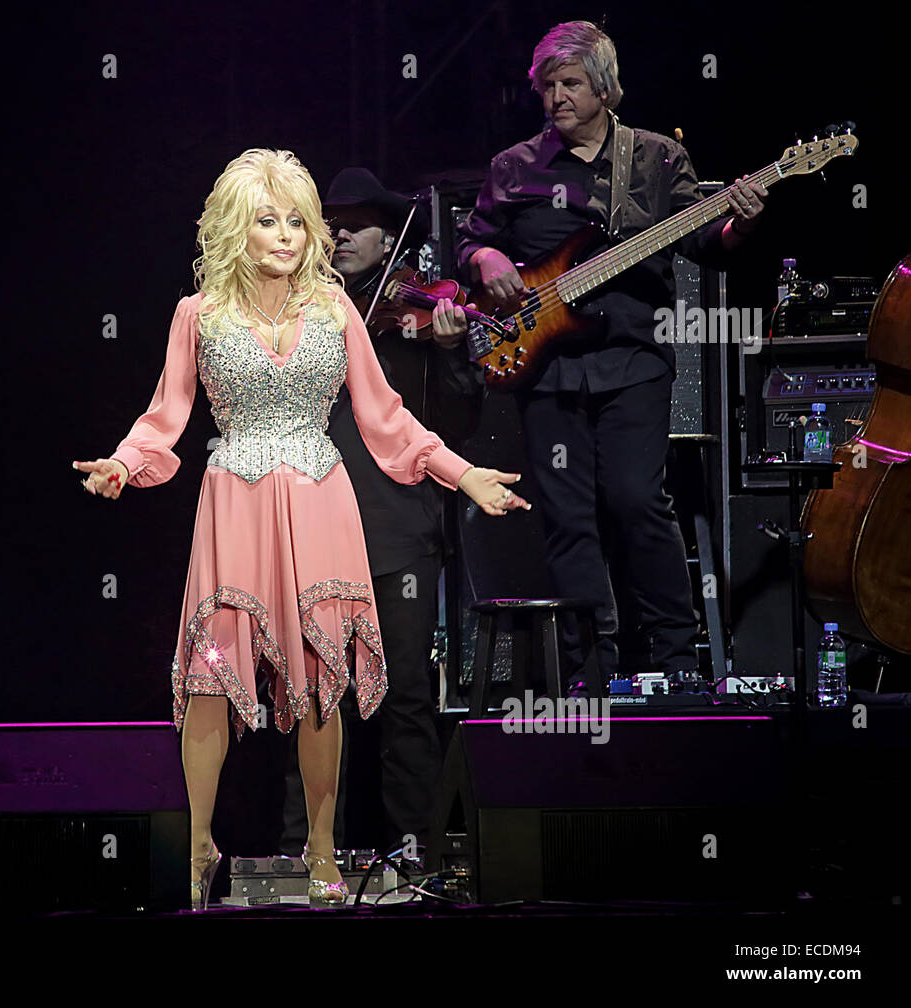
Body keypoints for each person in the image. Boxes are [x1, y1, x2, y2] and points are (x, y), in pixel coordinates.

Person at [73, 149, 529, 909]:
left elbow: (388, 420)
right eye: (266, 220)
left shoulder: (335, 308)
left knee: (323, 685)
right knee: (209, 678)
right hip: (234, 502)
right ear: (234, 229)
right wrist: (124, 464)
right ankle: (197, 846)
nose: (285, 235)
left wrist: (463, 472)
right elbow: (164, 419)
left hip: (321, 499)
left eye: (294, 221)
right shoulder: (200, 315)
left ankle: (321, 847)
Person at [442, 21, 766, 687]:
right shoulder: (514, 166)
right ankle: (592, 668)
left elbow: (703, 245)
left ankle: (676, 663)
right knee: (566, 519)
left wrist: (741, 222)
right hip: (548, 365)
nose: (556, 96)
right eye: (547, 86)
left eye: (571, 83)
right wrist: (490, 255)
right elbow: (468, 243)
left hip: (632, 362)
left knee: (636, 499)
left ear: (606, 89)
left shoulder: (655, 159)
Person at [278, 167, 482, 863]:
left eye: (357, 223)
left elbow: (457, 423)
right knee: (309, 693)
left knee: (404, 693)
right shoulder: (301, 314)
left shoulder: (416, 318)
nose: (336, 234)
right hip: (312, 522)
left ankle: (413, 847)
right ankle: (304, 848)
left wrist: (453, 352)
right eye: (327, 221)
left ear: (393, 237)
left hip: (397, 524)